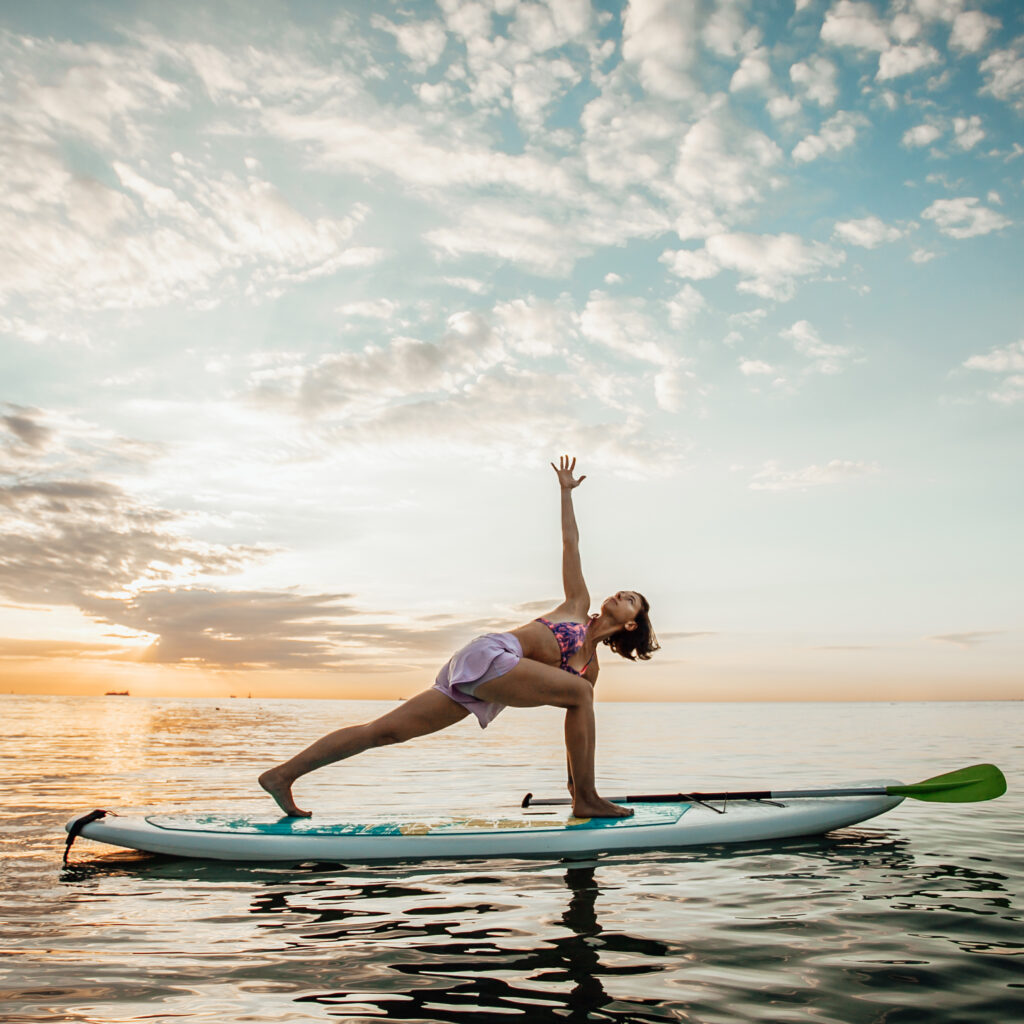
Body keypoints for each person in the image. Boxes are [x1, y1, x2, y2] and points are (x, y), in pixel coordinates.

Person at [259, 455, 659, 819]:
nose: (620, 594)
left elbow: (578, 732)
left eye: (630, 600)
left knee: (383, 732)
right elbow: (571, 543)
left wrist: (573, 781)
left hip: (482, 686)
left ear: (631, 625)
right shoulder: (576, 605)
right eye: (622, 591)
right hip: (491, 655)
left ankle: (282, 775)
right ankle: (586, 799)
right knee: (581, 694)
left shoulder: (589, 670)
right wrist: (565, 493)